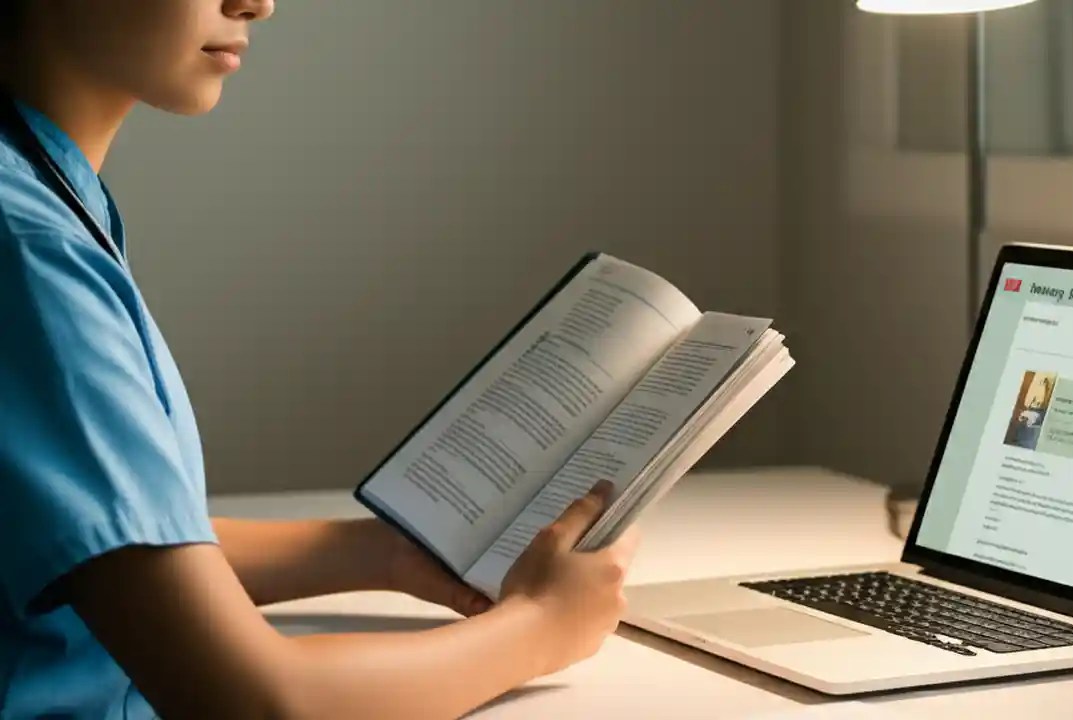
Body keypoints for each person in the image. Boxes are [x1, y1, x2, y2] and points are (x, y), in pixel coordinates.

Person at [0, 2, 637, 718]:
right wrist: (541, 628)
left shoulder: (38, 195)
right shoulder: (29, 250)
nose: (258, 3)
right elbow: (258, 701)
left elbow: (111, 548)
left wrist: (382, 553)